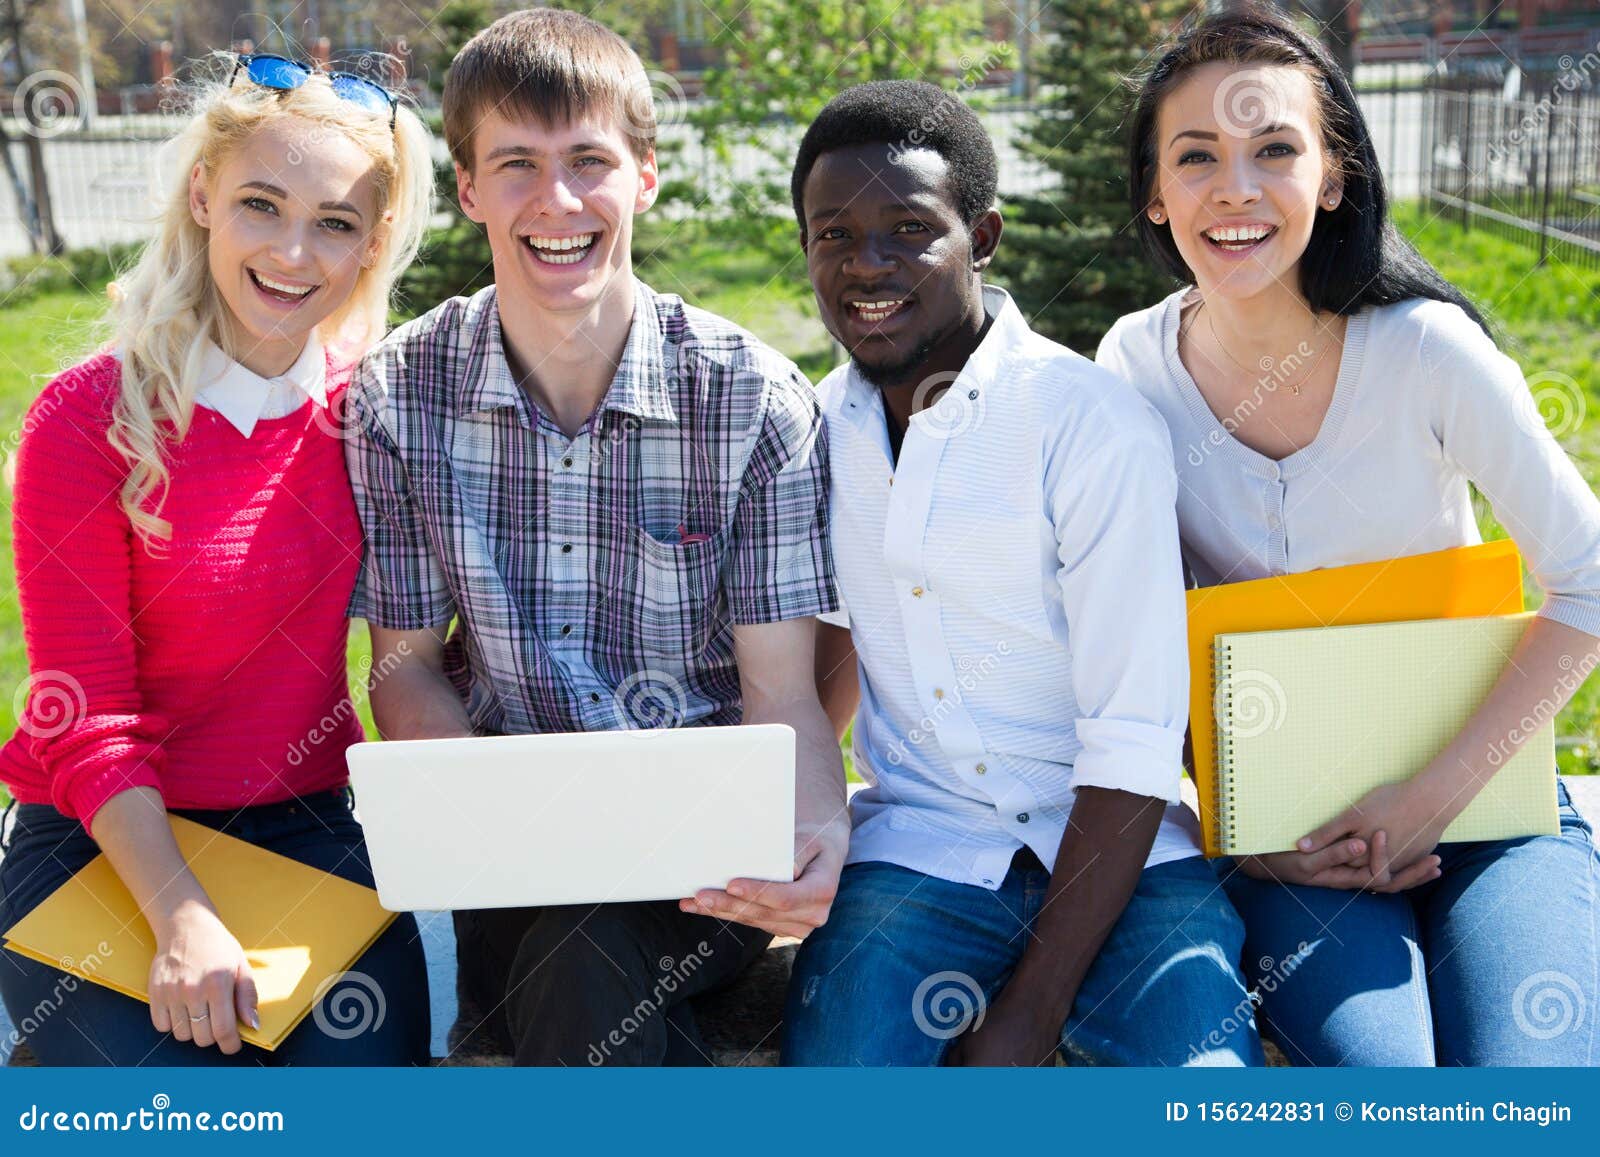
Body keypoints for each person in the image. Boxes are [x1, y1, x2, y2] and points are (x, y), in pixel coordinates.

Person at [1097, 7, 1600, 1066]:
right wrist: (1248, 840)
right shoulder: (1130, 366)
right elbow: (1129, 634)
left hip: (1489, 802)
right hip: (1296, 833)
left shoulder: (1425, 350)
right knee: (1381, 1080)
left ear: (1333, 177)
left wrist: (1427, 800)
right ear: (1154, 192)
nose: (1235, 188)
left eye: (1275, 150)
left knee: (1529, 1078)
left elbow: (1589, 578)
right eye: (1197, 157)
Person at [343, 8, 847, 1067]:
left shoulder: (751, 400)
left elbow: (784, 691)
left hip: (699, 866)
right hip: (504, 851)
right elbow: (404, 666)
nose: (557, 201)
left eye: (588, 161)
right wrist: (492, 817)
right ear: (468, 188)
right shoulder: (400, 393)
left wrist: (812, 830)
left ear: (644, 176)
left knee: (586, 955)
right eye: (516, 165)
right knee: (571, 948)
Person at [779, 80, 1262, 1067]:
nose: (866, 264)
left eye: (909, 230)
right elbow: (820, 664)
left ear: (983, 236)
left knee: (1206, 1094)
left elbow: (1135, 737)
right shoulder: (814, 433)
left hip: (1128, 864)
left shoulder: (1090, 427)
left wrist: (1033, 1008)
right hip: (917, 853)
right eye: (834, 236)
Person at [0, 52, 435, 1065]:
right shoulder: (87, 419)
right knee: (166, 1112)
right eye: (260, 205)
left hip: (303, 825)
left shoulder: (375, 412)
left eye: (334, 222)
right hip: (99, 837)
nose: (293, 251)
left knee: (367, 1104)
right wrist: (182, 916)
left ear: (372, 242)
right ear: (203, 196)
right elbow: (84, 714)